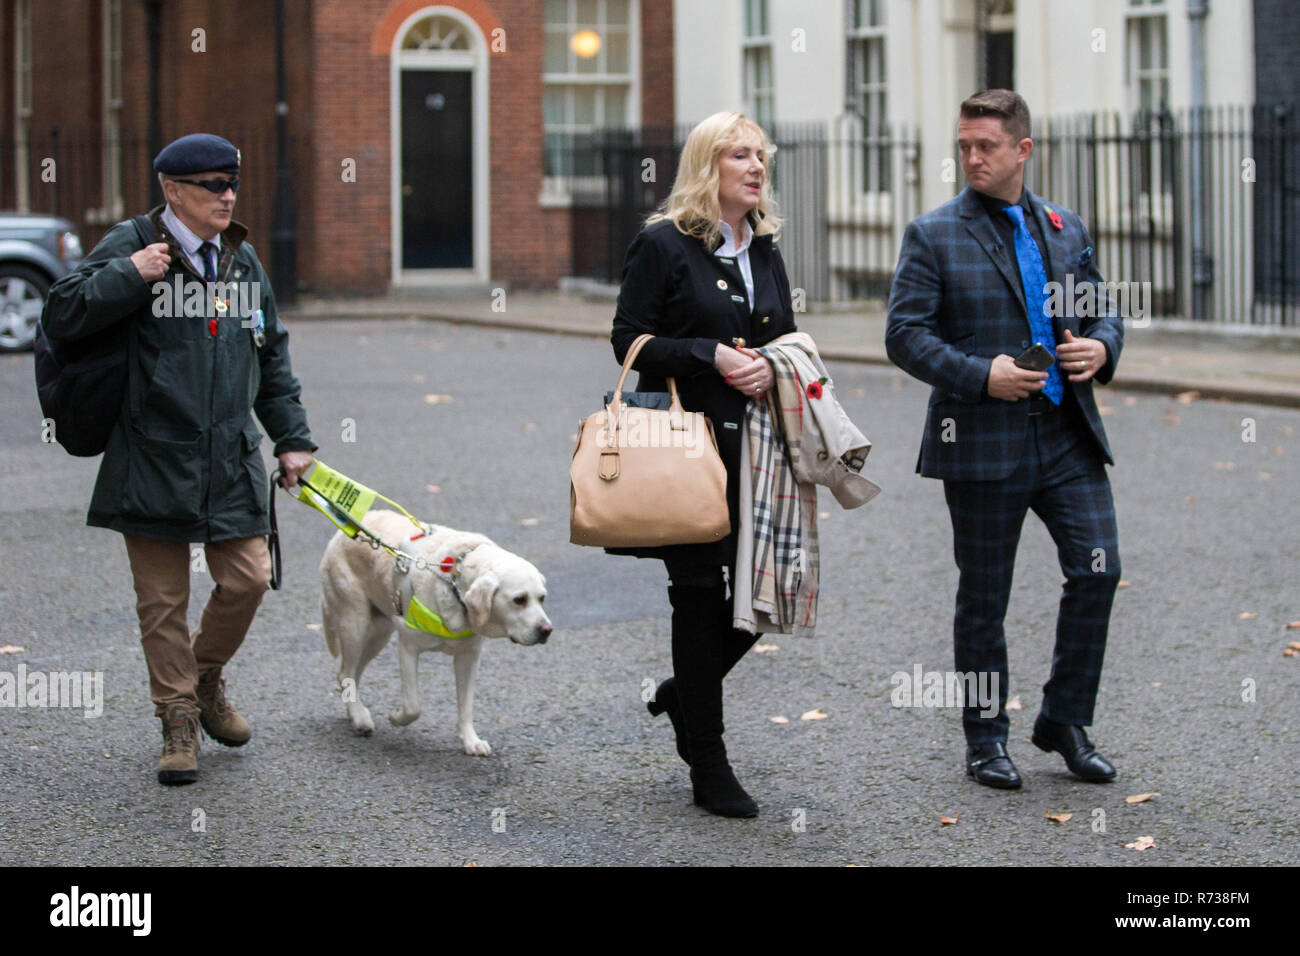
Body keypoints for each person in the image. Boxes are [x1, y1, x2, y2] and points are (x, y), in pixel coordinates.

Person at [43, 133, 316, 785]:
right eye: (214, 186)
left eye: (233, 184)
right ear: (173, 191)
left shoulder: (242, 261)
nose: (228, 197)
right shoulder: (133, 244)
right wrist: (129, 276)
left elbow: (270, 354)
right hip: (152, 455)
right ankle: (177, 721)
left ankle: (202, 679)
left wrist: (293, 437)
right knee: (162, 601)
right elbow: (61, 313)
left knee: (248, 579)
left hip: (230, 454)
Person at [885, 90, 1124, 789]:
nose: (971, 158)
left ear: (1022, 149)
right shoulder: (935, 233)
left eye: (985, 146)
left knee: (1098, 570)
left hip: (1066, 433)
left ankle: (1063, 720)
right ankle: (986, 740)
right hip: (983, 440)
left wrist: (1102, 349)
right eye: (963, 145)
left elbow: (1099, 309)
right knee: (985, 598)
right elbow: (904, 335)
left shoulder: (1063, 225)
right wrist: (980, 376)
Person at [610, 111, 797, 817]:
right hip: (685, 451)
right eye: (737, 155)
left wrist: (778, 360)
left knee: (762, 595)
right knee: (697, 595)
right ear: (706, 167)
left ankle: (680, 694)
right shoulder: (664, 245)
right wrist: (710, 355)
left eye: (759, 155)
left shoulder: (765, 246)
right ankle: (709, 764)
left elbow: (780, 332)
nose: (754, 166)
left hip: (759, 446)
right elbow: (629, 340)